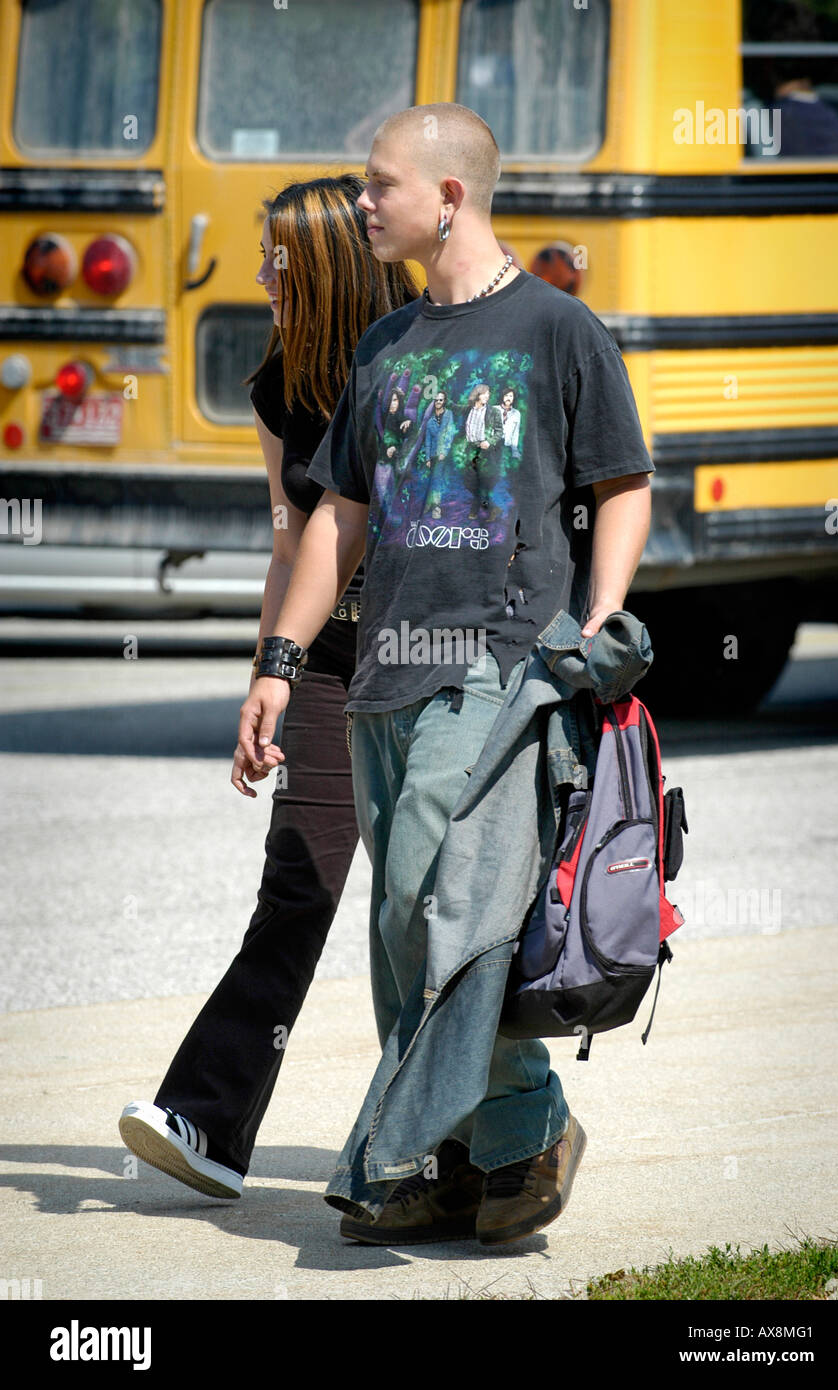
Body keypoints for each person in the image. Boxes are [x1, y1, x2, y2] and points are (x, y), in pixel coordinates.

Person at [239, 102, 654, 1245]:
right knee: (398, 927)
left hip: (500, 663)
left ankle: (529, 1118)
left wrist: (602, 619)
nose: (363, 202)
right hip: (383, 671)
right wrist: (280, 660)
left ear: (449, 197)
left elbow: (622, 481)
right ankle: (459, 1165)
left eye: (380, 185)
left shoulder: (556, 331)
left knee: (439, 900)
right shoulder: (386, 347)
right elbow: (336, 523)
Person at [118, 176, 417, 1198]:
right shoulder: (278, 382)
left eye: (275, 260)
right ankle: (206, 1123)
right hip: (328, 661)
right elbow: (290, 547)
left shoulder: (421, 362)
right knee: (299, 878)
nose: (256, 276)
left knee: (427, 904)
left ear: (328, 266)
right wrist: (268, 676)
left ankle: (449, 1138)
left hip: (431, 661)